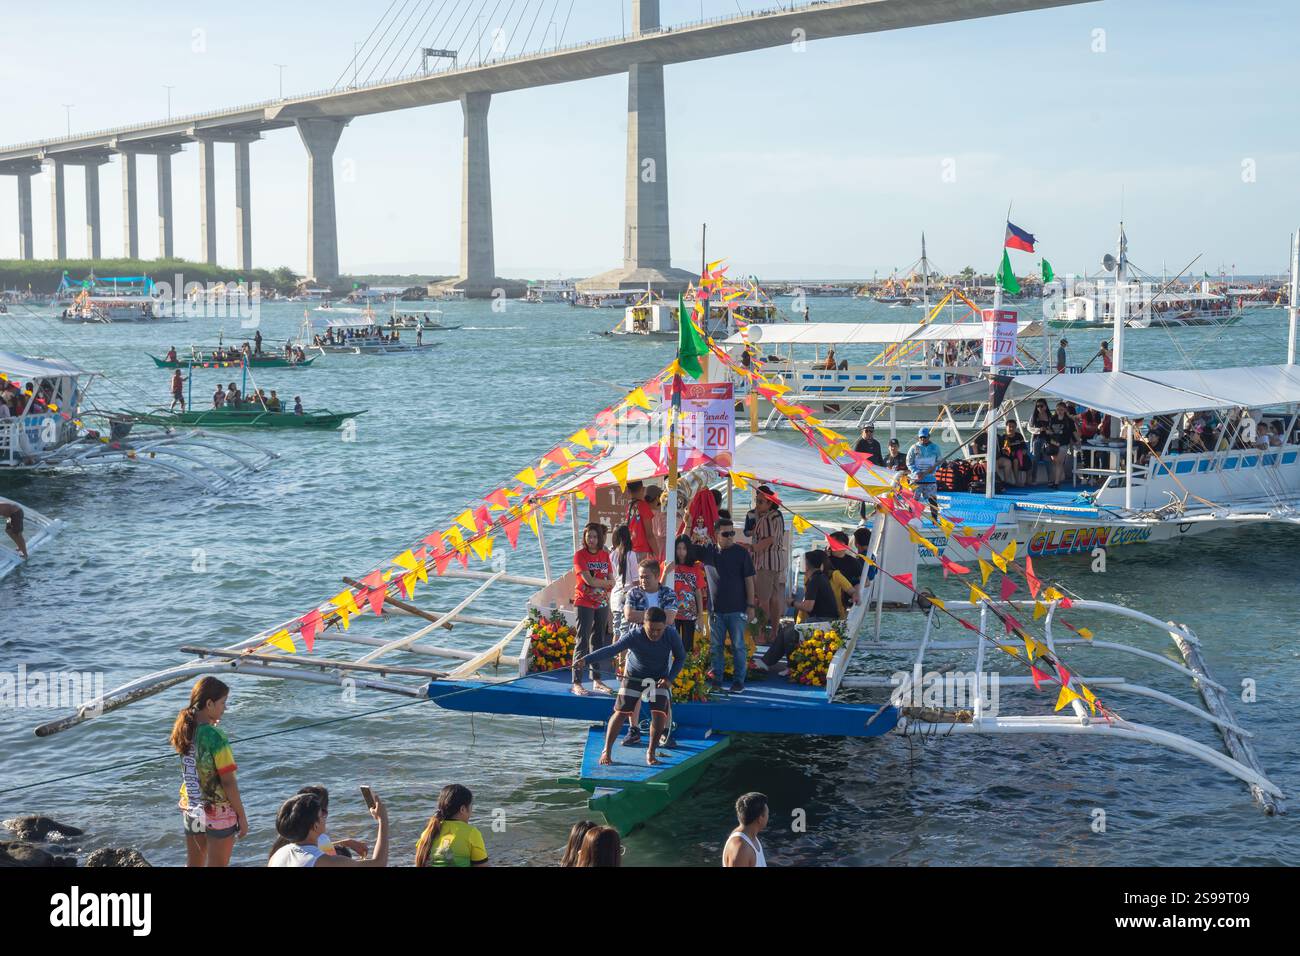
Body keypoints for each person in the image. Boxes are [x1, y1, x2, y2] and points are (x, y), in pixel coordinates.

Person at [580, 607, 687, 767]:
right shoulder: (634, 635)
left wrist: (669, 679)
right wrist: (585, 660)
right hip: (634, 676)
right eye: (651, 629)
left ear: (665, 626)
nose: (655, 634)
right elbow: (611, 649)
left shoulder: (671, 634)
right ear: (643, 624)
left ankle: (651, 751)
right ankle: (607, 751)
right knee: (621, 712)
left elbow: (680, 657)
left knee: (659, 716)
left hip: (658, 678)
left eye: (659, 630)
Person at [170, 676, 247, 867]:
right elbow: (228, 781)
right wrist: (242, 817)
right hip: (217, 813)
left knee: (194, 864)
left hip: (193, 808)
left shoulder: (185, 729)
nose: (225, 708)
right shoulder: (215, 736)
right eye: (223, 703)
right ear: (209, 703)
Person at [697, 518, 757, 693]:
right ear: (716, 534)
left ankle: (739, 681)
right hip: (716, 610)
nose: (730, 536)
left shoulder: (741, 553)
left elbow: (749, 581)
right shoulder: (708, 552)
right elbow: (683, 546)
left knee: (738, 646)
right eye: (726, 533)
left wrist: (751, 606)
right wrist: (687, 523)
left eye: (732, 533)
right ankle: (717, 679)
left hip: (737, 610)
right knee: (716, 646)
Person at [269, 789, 390, 867]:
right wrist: (383, 820)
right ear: (314, 825)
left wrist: (346, 843)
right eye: (322, 813)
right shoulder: (323, 862)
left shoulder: (278, 854)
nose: (325, 816)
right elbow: (379, 863)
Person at [572, 523, 615, 697]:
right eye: (589, 536)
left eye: (595, 537)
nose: (591, 540)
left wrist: (604, 583)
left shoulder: (605, 555)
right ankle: (577, 681)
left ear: (600, 539)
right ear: (585, 538)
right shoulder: (579, 556)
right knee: (582, 641)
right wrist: (604, 583)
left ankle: (596, 680)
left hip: (602, 603)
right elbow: (589, 581)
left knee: (598, 640)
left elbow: (612, 579)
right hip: (584, 602)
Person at [414, 784, 488, 867]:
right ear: (463, 809)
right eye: (471, 806)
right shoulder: (471, 832)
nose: (472, 812)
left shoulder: (428, 832)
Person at [749, 486, 786, 649]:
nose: (757, 504)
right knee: (775, 597)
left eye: (760, 502)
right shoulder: (777, 516)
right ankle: (774, 632)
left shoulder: (768, 518)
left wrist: (752, 548)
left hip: (765, 562)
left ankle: (762, 634)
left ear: (770, 503)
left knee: (763, 599)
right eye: (757, 501)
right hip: (777, 561)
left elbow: (768, 540)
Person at [671, 536, 706, 658]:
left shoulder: (695, 568)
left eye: (684, 548)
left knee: (687, 647)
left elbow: (698, 592)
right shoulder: (670, 566)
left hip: (689, 614)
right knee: (672, 645)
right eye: (678, 548)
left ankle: (686, 671)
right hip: (672, 613)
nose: (681, 551)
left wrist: (700, 616)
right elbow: (661, 585)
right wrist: (666, 570)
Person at [722, 792, 769, 867]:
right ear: (760, 818)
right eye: (767, 814)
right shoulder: (741, 848)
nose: (768, 817)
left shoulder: (750, 836)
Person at [793, 550, 841, 623]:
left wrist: (791, 602)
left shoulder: (814, 580)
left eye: (800, 563)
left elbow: (808, 607)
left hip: (823, 620)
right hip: (830, 619)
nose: (798, 565)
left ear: (806, 566)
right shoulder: (821, 577)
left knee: (787, 632)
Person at [624, 480, 659, 567]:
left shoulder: (629, 506)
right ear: (642, 489)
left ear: (628, 491)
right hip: (642, 551)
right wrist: (658, 554)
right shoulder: (643, 506)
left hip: (631, 549)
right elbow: (649, 534)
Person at [906, 427, 942, 508]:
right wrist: (917, 472)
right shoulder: (914, 448)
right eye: (921, 437)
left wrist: (934, 469)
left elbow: (939, 461)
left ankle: (934, 520)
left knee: (933, 502)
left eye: (924, 437)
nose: (922, 439)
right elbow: (909, 462)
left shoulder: (935, 448)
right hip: (917, 480)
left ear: (928, 436)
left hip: (930, 479)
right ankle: (910, 520)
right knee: (913, 503)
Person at [1046, 401, 1078, 489]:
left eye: (1061, 409)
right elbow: (1048, 430)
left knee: (1059, 462)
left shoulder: (1068, 421)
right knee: (1055, 462)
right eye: (1058, 409)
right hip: (1053, 443)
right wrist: (1049, 432)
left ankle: (1056, 482)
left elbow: (1073, 432)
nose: (1059, 411)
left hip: (1063, 443)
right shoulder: (1052, 419)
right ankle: (1056, 479)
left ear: (1065, 410)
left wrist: (1078, 441)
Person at [997, 421, 1030, 487]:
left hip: (1020, 454)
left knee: (1029, 460)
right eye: (1009, 426)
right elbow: (1003, 450)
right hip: (1009, 456)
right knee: (1015, 461)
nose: (1011, 428)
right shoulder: (1003, 438)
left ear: (1015, 427)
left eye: (1013, 427)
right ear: (1006, 427)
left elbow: (1023, 446)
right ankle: (1017, 481)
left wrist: (1024, 451)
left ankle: (1028, 481)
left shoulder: (1019, 436)